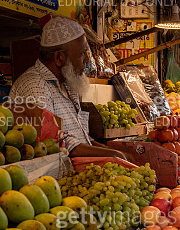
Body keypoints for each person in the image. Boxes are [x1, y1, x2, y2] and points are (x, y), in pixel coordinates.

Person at [9, 17, 131, 160]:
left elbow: (79, 138)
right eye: (82, 53)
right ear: (59, 57)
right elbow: (55, 141)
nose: (87, 59)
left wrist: (107, 150)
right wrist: (114, 154)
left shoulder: (67, 83)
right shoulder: (35, 86)